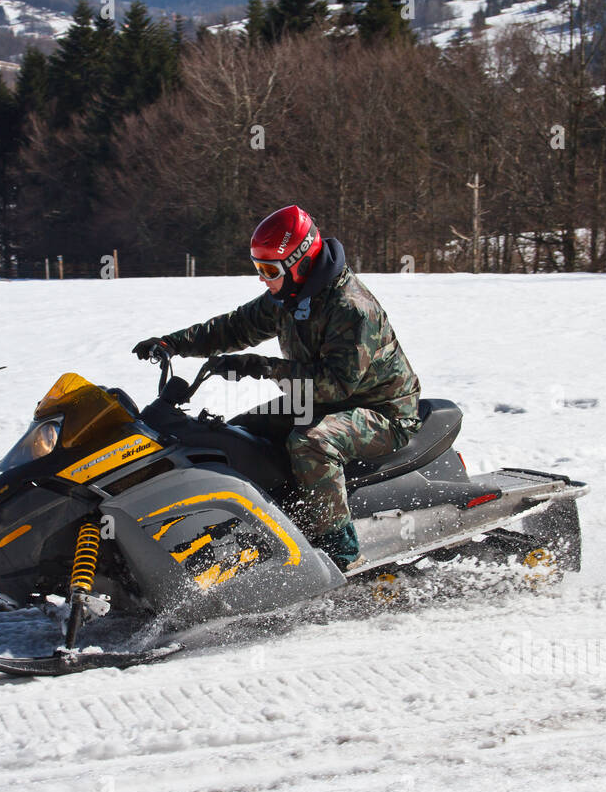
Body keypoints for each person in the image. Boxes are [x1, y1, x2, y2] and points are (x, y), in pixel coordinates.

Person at [132, 205, 421, 571]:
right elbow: (234, 327)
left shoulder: (351, 309)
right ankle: (269, 526)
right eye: (258, 269)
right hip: (319, 400)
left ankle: (342, 553)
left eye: (269, 270)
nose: (262, 279)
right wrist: (172, 344)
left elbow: (335, 387)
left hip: (383, 412)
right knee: (237, 433)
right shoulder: (289, 297)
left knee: (311, 443)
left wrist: (265, 367)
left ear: (300, 262)